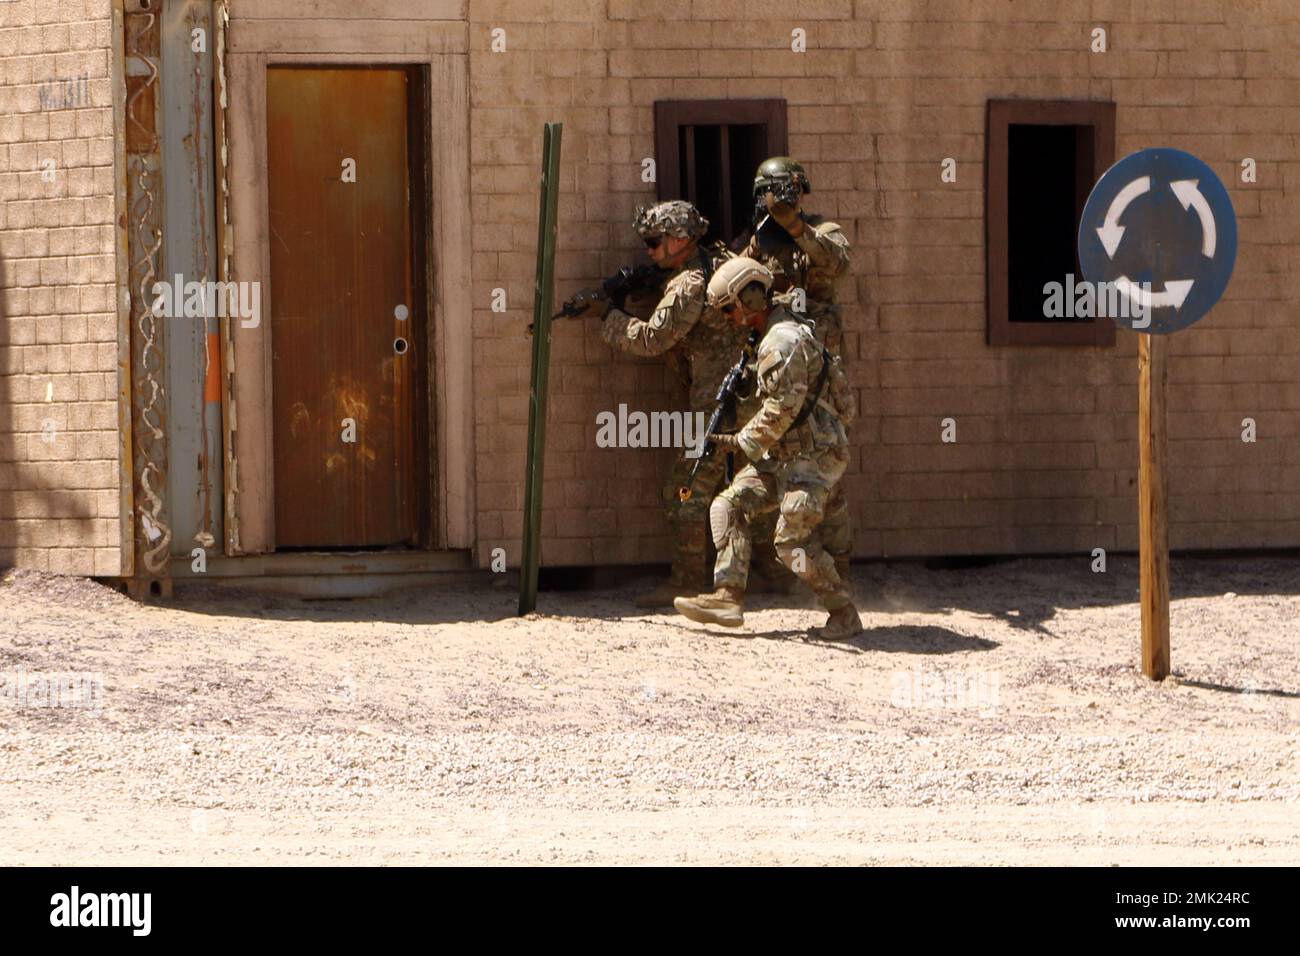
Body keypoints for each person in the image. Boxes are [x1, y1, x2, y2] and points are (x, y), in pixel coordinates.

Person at [571, 200, 749, 607]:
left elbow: (652, 338)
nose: (648, 250)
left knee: (684, 490)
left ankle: (687, 582)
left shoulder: (688, 285)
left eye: (654, 242)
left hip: (717, 406)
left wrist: (605, 316)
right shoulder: (718, 259)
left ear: (681, 239)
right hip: (745, 398)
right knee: (746, 489)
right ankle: (769, 575)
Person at [673, 257, 862, 641]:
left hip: (813, 458)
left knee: (790, 543)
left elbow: (782, 407)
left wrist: (741, 442)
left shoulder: (781, 342)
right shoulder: (765, 339)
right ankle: (727, 596)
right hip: (783, 456)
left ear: (751, 296)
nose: (727, 317)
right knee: (727, 506)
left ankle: (843, 612)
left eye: (729, 307)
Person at [739, 157, 855, 585]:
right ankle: (775, 566)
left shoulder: (822, 231)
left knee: (828, 475)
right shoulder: (760, 240)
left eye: (785, 193)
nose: (779, 201)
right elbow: (736, 279)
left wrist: (795, 228)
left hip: (822, 374)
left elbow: (837, 264)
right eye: (771, 195)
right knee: (771, 463)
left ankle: (839, 567)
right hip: (778, 368)